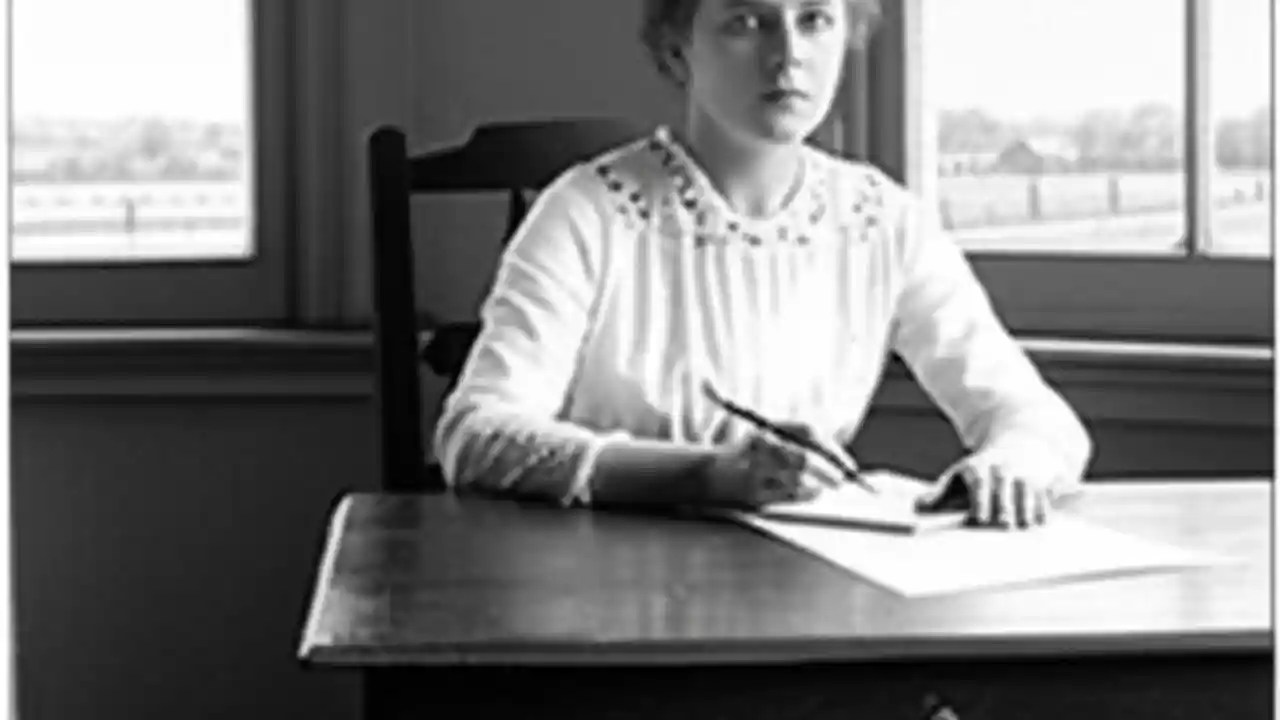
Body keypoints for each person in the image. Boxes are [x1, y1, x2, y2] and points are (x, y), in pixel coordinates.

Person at [433, 0, 1092, 530]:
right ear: (677, 48)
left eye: (815, 20)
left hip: (803, 588)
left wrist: (1013, 463)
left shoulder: (882, 221)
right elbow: (476, 434)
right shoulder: (587, 211)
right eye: (747, 22)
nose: (788, 56)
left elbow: (1037, 419)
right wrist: (709, 474)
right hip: (596, 576)